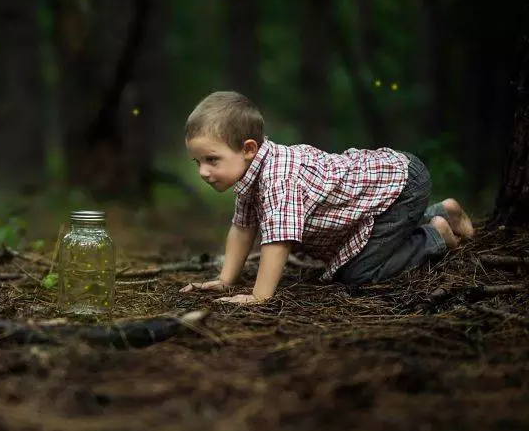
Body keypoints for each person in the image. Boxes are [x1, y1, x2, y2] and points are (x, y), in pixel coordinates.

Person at [178, 91, 474, 304]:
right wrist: (226, 280)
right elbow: (243, 228)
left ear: (248, 149)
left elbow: (278, 239)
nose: (203, 172)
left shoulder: (278, 180)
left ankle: (435, 233)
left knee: (358, 273)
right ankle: (444, 211)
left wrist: (260, 296)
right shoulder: (250, 176)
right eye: (197, 162)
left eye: (212, 160)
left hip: (401, 185)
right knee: (366, 247)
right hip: (379, 200)